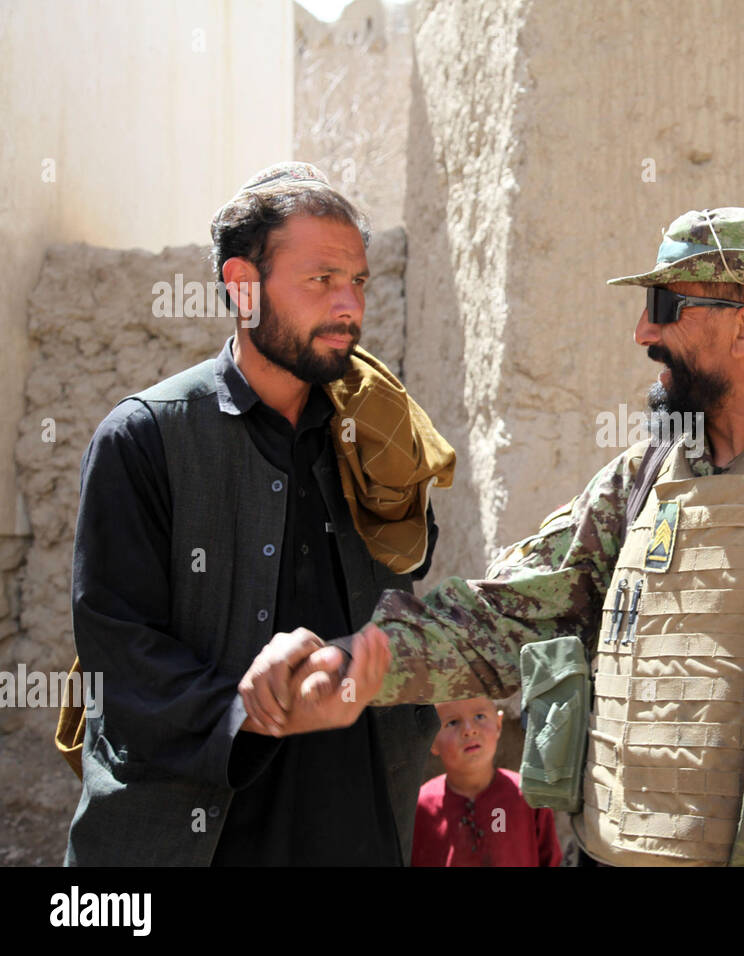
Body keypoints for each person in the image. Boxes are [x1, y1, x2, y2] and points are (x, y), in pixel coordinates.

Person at [254, 207, 744, 866]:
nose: (643, 330)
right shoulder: (647, 474)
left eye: (668, 306)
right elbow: (517, 611)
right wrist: (365, 663)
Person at [65, 162, 455, 866]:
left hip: (361, 824)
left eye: (359, 282)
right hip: (202, 837)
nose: (350, 307)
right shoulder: (145, 437)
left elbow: (408, 564)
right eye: (322, 280)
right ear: (244, 286)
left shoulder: (369, 425)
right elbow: (119, 653)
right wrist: (260, 713)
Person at [410, 696, 562, 866]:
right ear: (432, 740)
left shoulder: (527, 796)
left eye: (479, 716)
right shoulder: (422, 807)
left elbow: (550, 859)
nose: (469, 730)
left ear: (498, 724)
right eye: (452, 722)